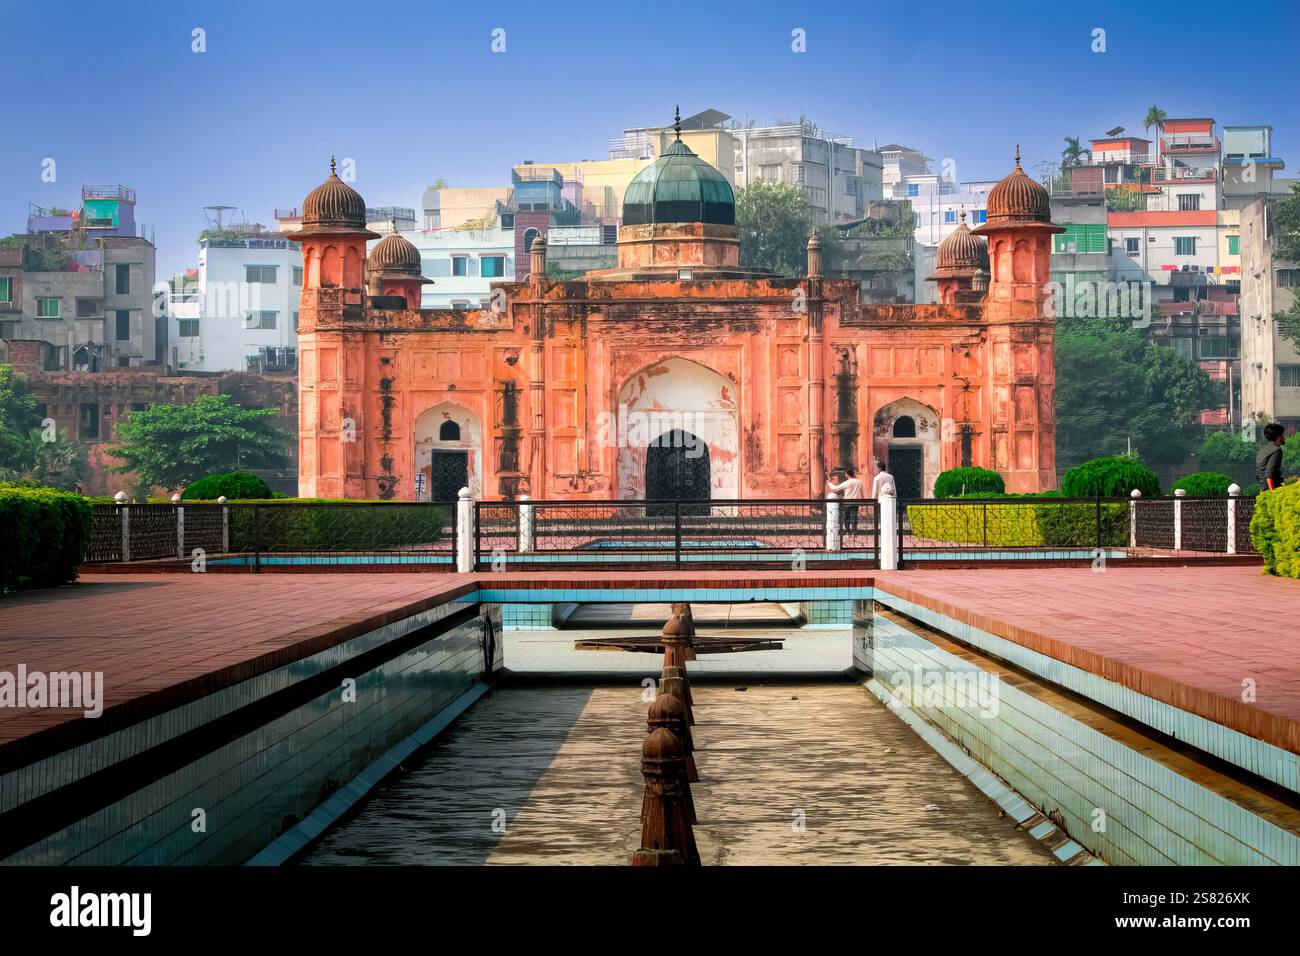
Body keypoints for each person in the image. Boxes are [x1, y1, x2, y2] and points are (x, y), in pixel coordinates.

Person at [827, 467, 864, 531]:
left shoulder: (847, 482)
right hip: (856, 502)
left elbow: (835, 488)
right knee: (854, 518)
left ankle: (848, 531)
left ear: (847, 474)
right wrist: (862, 501)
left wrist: (829, 483)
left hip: (847, 502)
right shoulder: (859, 482)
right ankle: (853, 533)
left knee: (846, 518)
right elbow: (862, 493)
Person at [1256, 423, 1286, 491]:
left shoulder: (1262, 450)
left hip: (1262, 487)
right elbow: (1269, 474)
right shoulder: (1277, 450)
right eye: (1282, 435)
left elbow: (1258, 474)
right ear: (1279, 436)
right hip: (1271, 487)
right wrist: (1273, 493)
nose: (1284, 437)